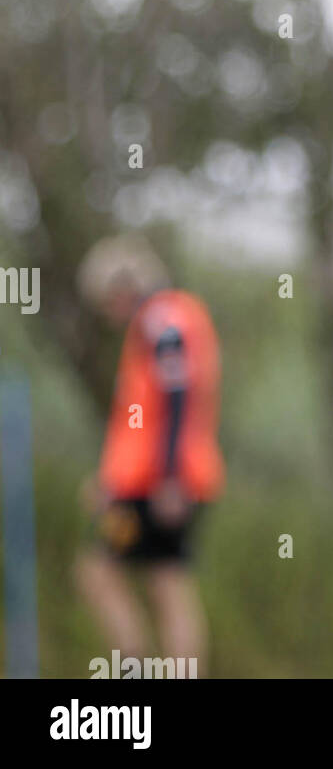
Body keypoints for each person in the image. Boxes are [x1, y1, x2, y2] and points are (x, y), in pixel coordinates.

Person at [74, 235, 224, 672]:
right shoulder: (175, 316)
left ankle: (133, 669)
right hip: (160, 478)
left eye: (107, 302)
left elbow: (177, 394)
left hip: (155, 483)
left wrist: (169, 478)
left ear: (121, 289)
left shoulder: (162, 318)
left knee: (102, 574)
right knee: (166, 581)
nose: (109, 314)